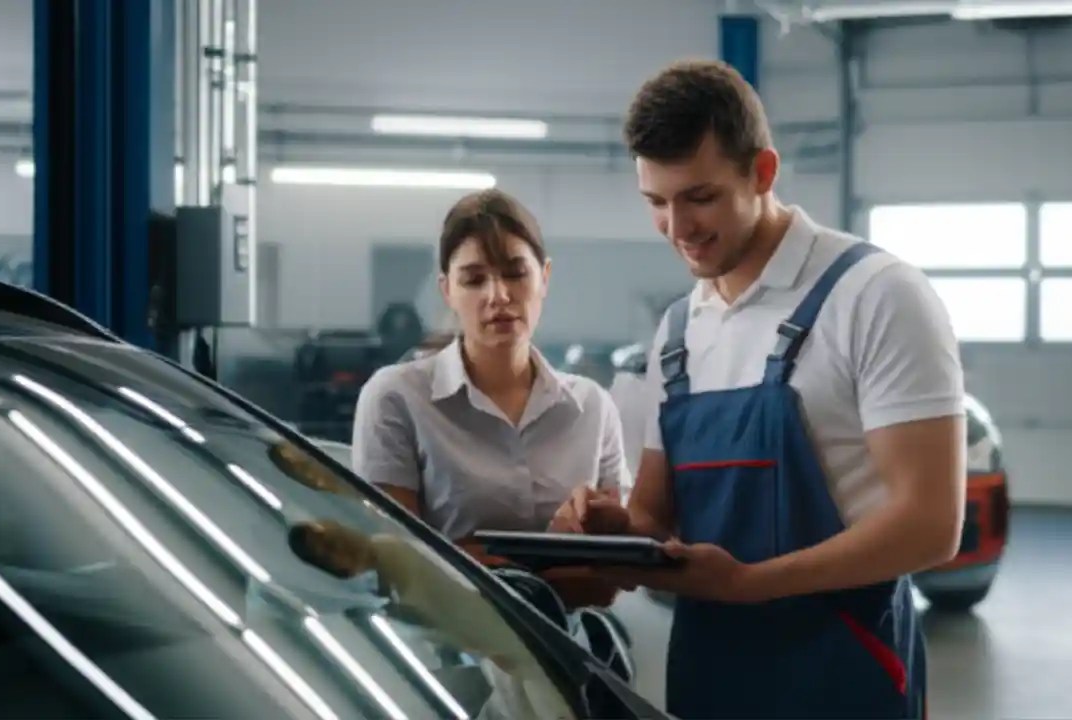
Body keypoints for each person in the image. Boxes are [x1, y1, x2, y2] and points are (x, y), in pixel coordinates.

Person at [550, 59, 967, 719]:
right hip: (711, 677)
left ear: (762, 173)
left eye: (700, 196)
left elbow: (931, 525)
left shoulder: (877, 295)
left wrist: (748, 585)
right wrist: (613, 532)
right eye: (656, 202)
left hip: (844, 675)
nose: (677, 228)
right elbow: (655, 519)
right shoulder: (679, 331)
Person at [351, 188, 630, 609]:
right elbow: (397, 565)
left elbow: (611, 578)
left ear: (545, 277)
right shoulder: (396, 397)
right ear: (447, 290)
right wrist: (557, 560)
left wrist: (471, 561)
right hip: (445, 654)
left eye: (516, 273)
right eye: (474, 279)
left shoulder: (591, 407)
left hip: (570, 651)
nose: (498, 295)